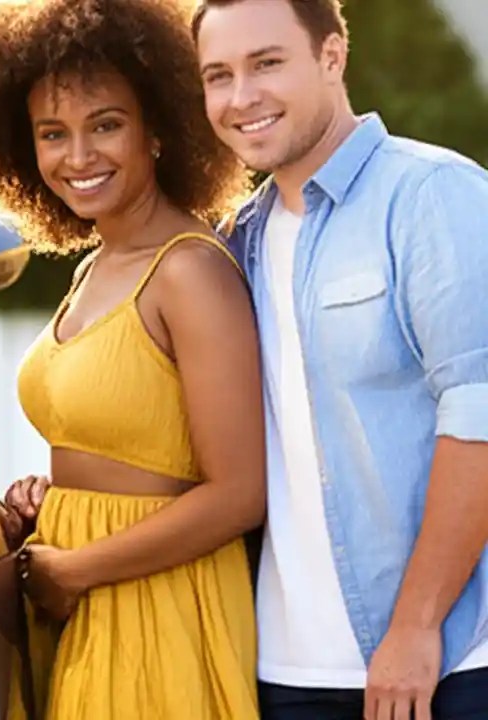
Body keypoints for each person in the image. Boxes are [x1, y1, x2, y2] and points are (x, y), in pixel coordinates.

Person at [0, 1, 267, 717]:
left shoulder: (188, 272)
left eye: (105, 124)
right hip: (77, 597)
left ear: (158, 129)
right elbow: (127, 446)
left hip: (157, 607)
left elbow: (240, 493)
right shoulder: (97, 266)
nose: (78, 157)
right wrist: (50, 508)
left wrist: (77, 566)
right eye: (53, 133)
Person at [191, 1, 488, 718]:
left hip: (444, 665)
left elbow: (479, 420)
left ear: (332, 56)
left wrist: (416, 626)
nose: (241, 98)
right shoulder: (239, 241)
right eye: (218, 76)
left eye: (267, 64)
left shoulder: (431, 196)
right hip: (288, 670)